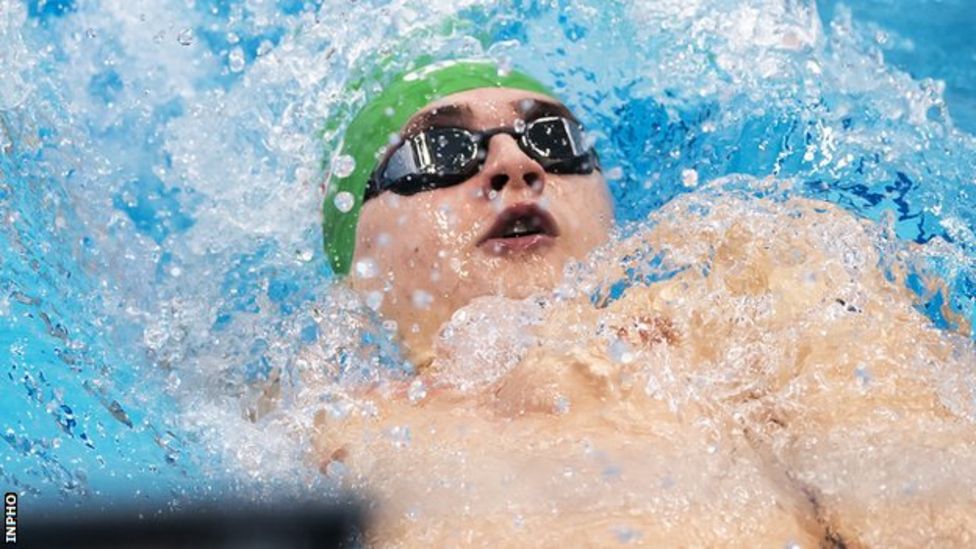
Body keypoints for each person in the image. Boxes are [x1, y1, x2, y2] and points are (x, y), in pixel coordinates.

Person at [315, 58, 976, 546]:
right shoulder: (320, 432)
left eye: (554, 139)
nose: (515, 164)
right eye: (441, 150)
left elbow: (938, 509)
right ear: (355, 252)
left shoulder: (748, 303)